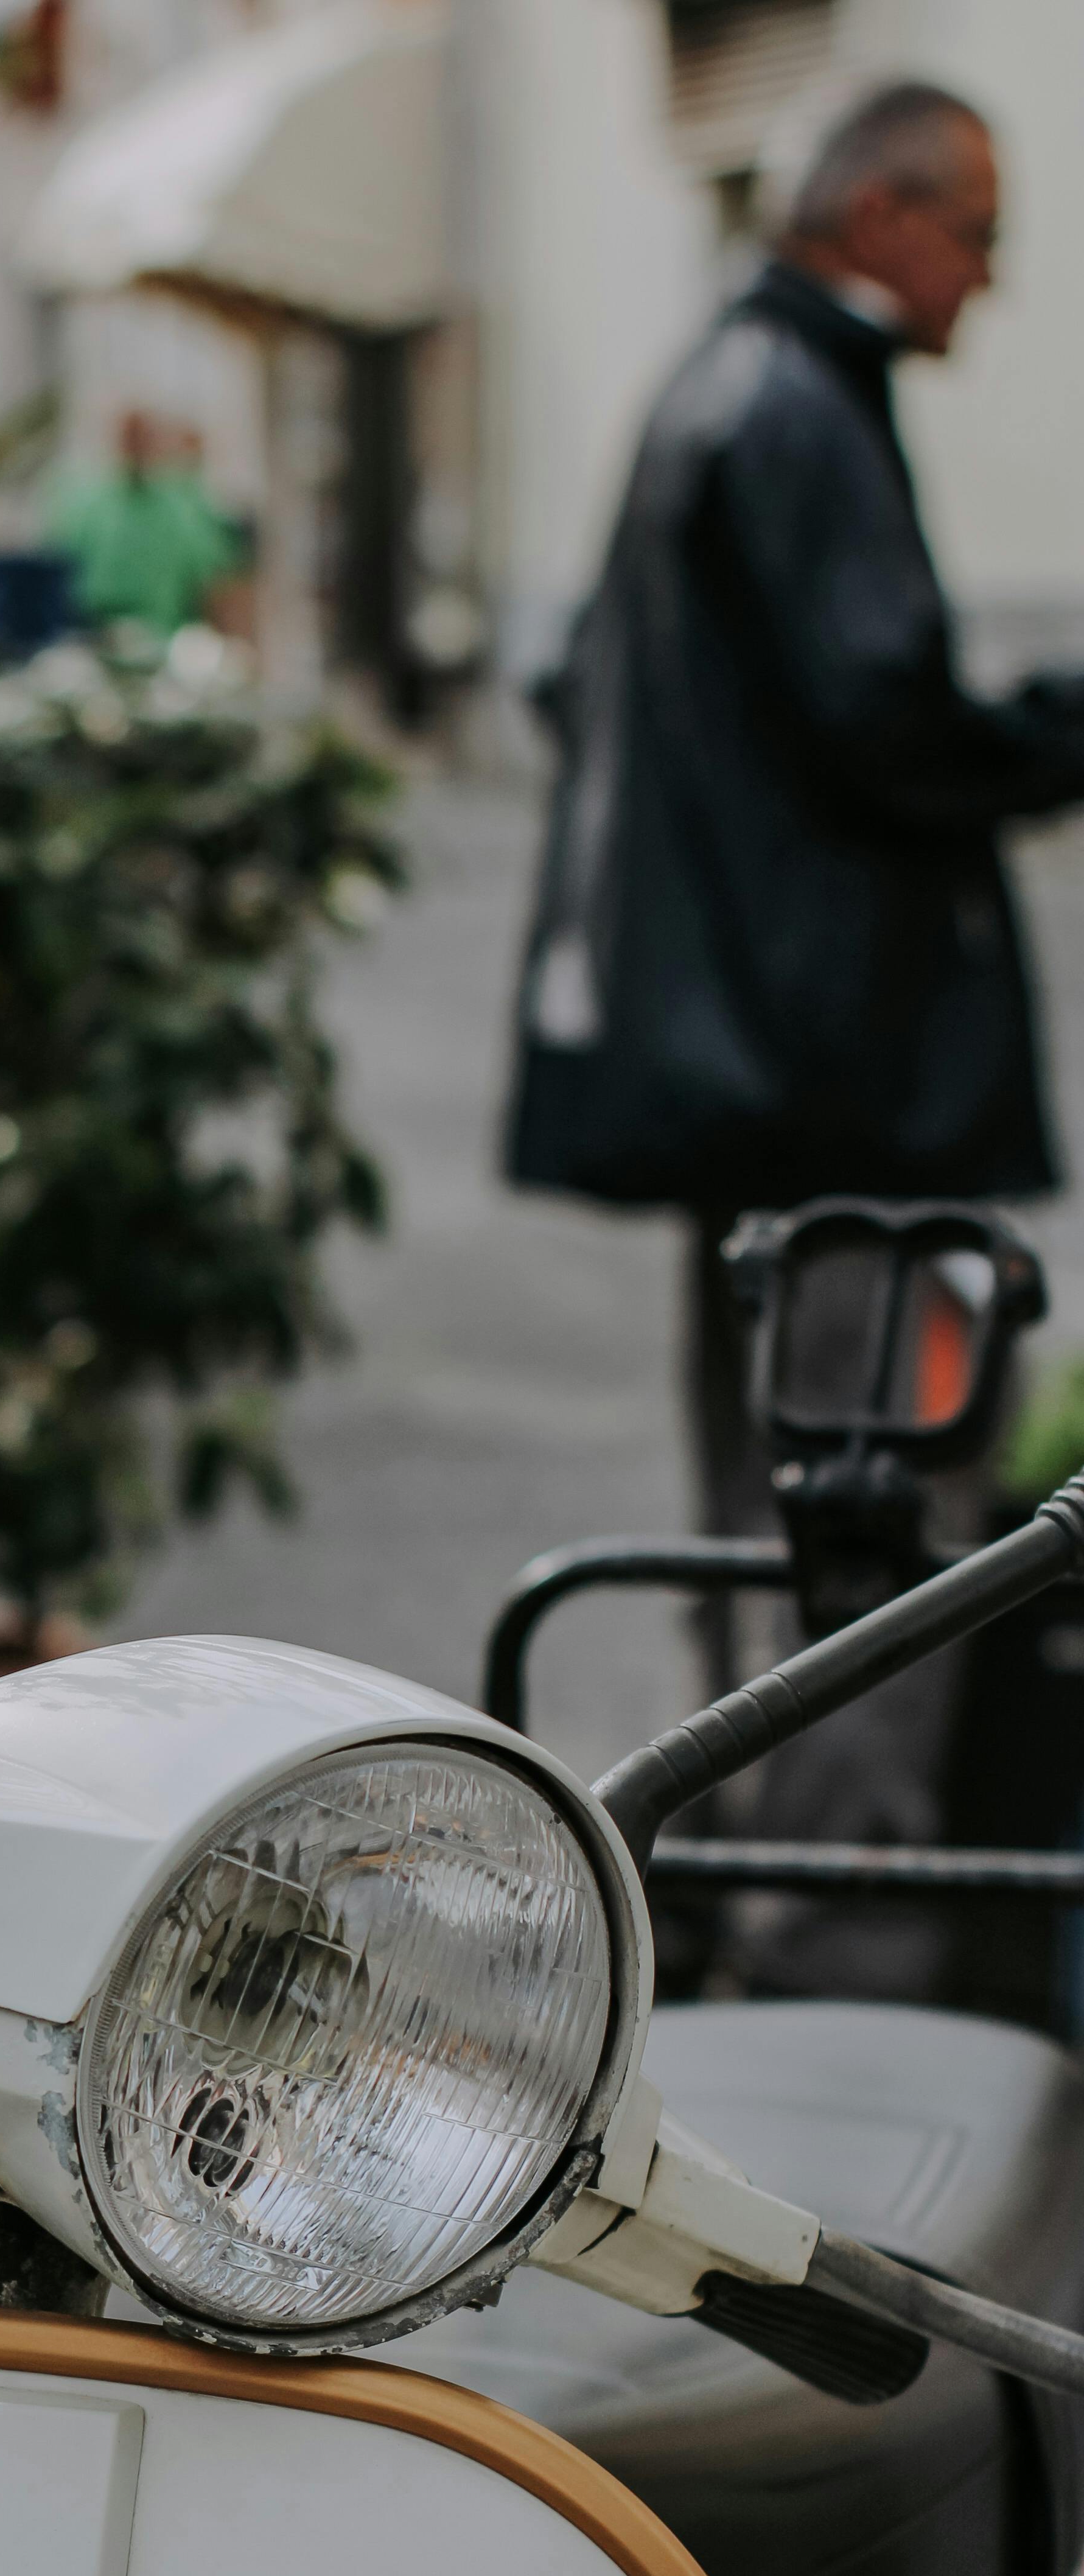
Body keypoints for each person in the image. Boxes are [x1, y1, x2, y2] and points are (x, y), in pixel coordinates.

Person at [506, 80, 1084, 1552]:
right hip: (845, 1069)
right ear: (880, 217)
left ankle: (745, 1789)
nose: (993, 279)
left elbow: (579, 684)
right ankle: (816, 1797)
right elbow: (888, 719)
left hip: (763, 1066)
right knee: (871, 1497)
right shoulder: (794, 406)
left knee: (768, 1485)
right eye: (978, 233)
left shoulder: (721, 378)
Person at [47, 411, 246, 640]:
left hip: (165, 637)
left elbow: (217, 577)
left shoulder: (180, 509)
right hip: (98, 635)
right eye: (130, 438)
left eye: (142, 438)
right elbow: (65, 574)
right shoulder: (88, 507)